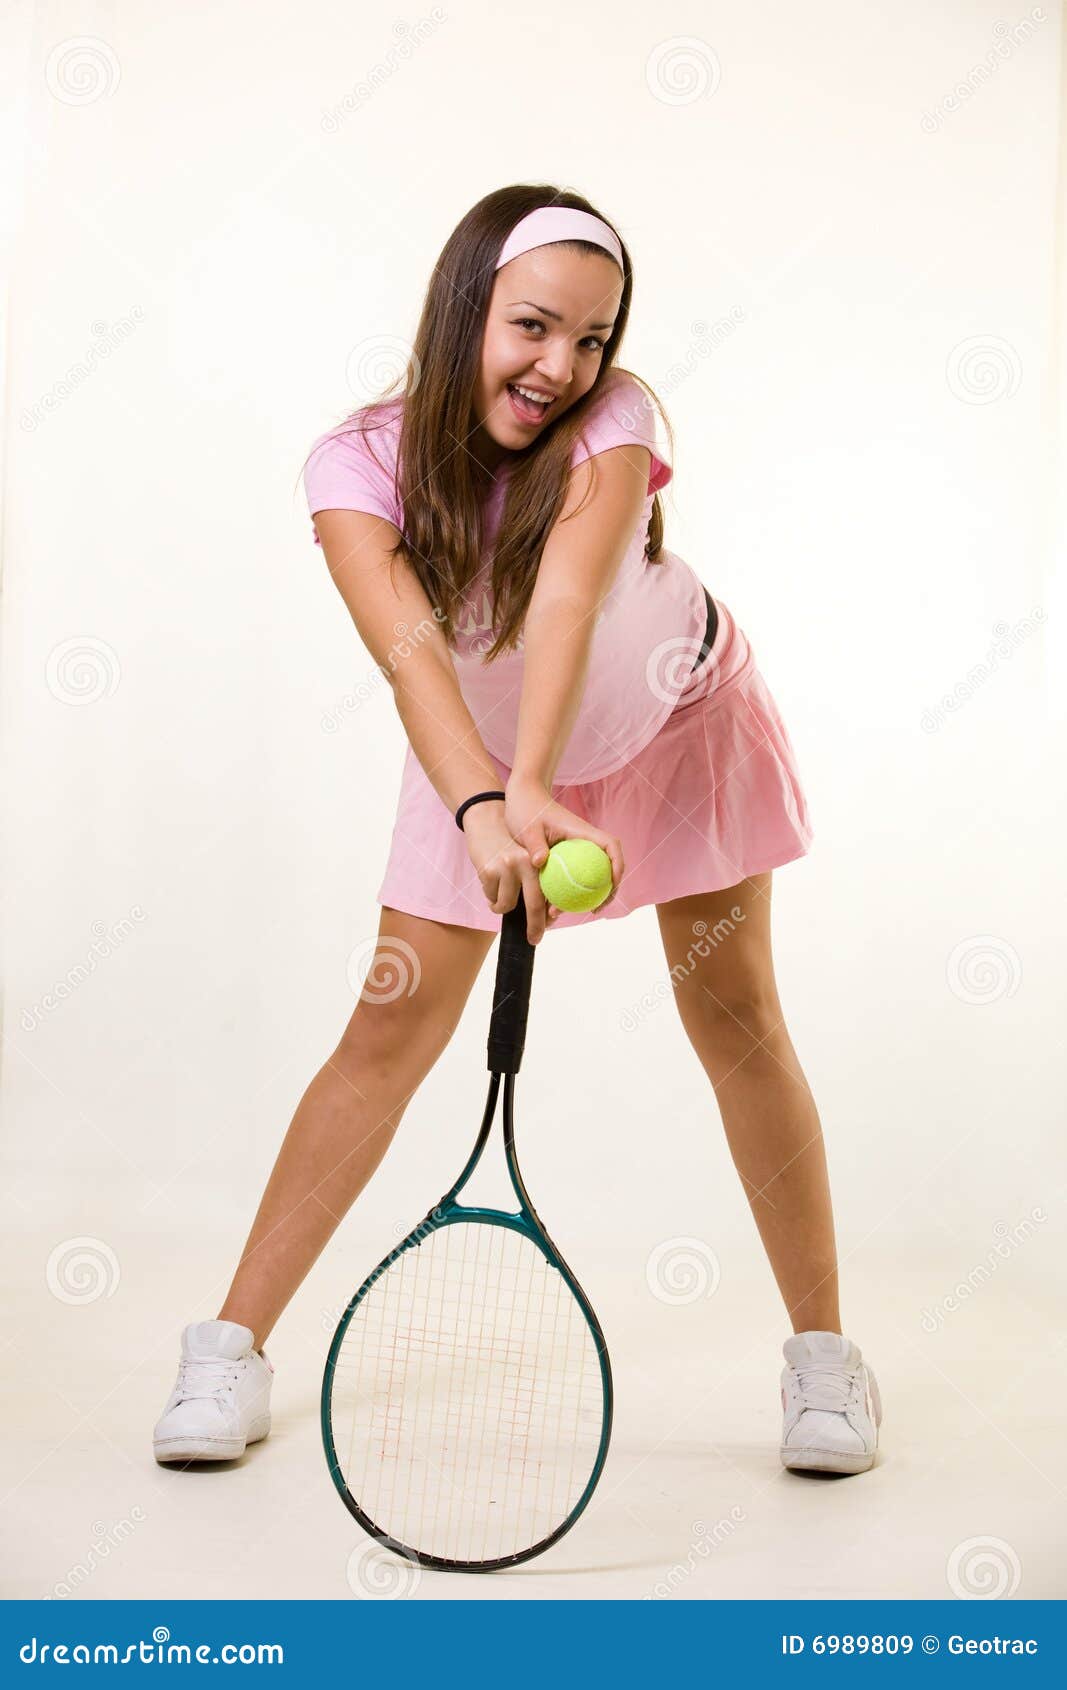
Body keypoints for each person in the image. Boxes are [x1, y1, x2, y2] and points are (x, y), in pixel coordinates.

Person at [152, 186, 882, 1480]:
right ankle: (230, 1350)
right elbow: (410, 657)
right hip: (475, 760)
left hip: (681, 720)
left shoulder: (616, 419)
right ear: (463, 309)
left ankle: (827, 1361)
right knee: (387, 1026)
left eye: (592, 338)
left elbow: (565, 599)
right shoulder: (354, 466)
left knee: (737, 1017)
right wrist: (491, 801)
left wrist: (533, 779)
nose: (563, 366)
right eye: (533, 326)